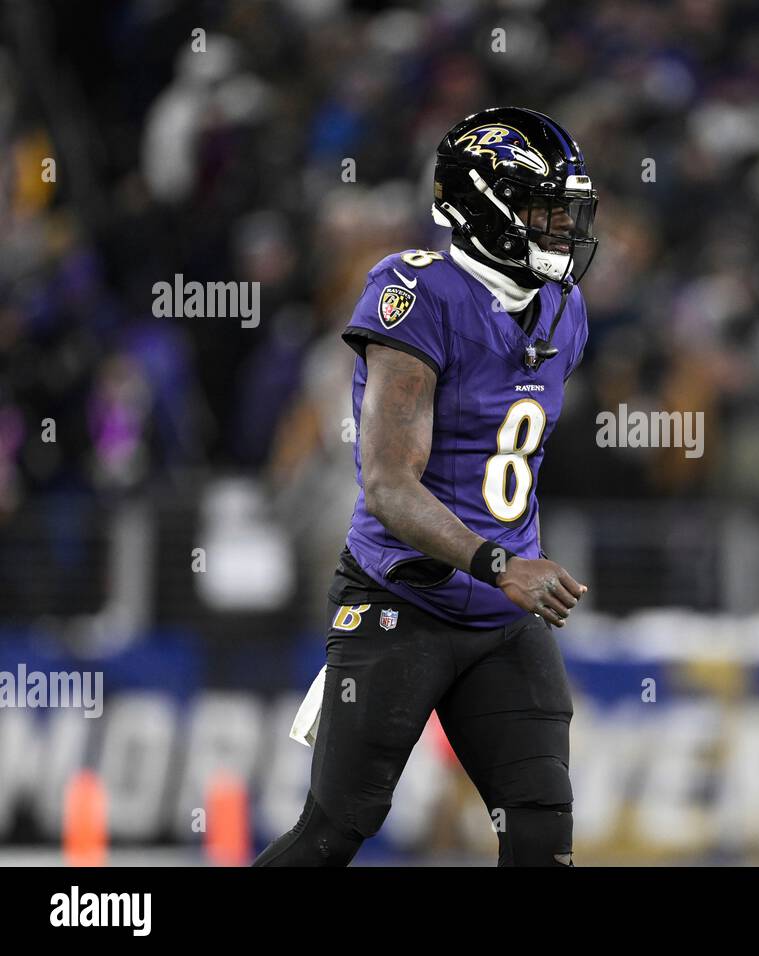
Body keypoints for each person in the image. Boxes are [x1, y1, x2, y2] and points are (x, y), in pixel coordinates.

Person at [254, 107, 598, 866]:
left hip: (504, 619)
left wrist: (508, 570)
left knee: (541, 836)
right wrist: (502, 564)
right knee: (332, 832)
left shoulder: (565, 311)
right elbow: (386, 484)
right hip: (401, 600)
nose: (560, 228)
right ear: (486, 207)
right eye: (542, 209)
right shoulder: (416, 294)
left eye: (563, 211)